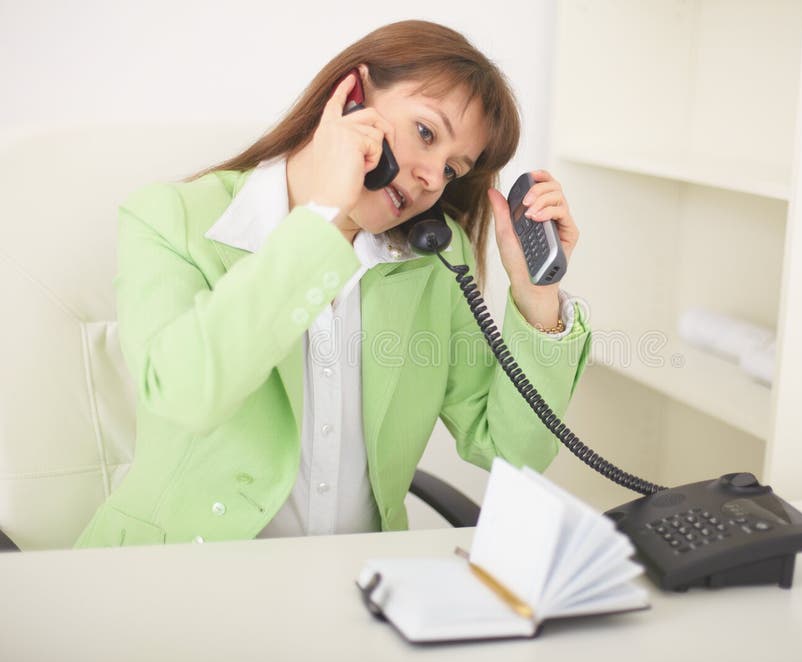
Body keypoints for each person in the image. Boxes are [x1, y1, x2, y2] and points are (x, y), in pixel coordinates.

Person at [75, 20, 590, 548]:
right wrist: (327, 222)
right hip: (175, 584)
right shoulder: (169, 219)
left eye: (454, 170)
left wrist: (536, 302)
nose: (434, 179)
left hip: (352, 589)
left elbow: (510, 450)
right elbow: (185, 397)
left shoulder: (434, 258)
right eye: (426, 133)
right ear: (353, 97)